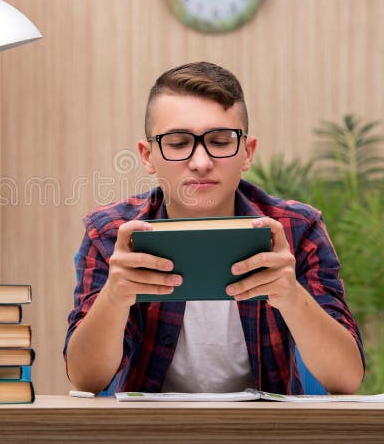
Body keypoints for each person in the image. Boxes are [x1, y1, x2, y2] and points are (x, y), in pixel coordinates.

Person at [64, 62, 364, 395]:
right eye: (178, 143)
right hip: (149, 431)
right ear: (148, 156)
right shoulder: (111, 233)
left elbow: (346, 378)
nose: (201, 162)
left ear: (247, 153)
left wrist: (291, 296)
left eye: (220, 141)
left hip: (266, 432)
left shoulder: (298, 228)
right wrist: (114, 297)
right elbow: (85, 379)